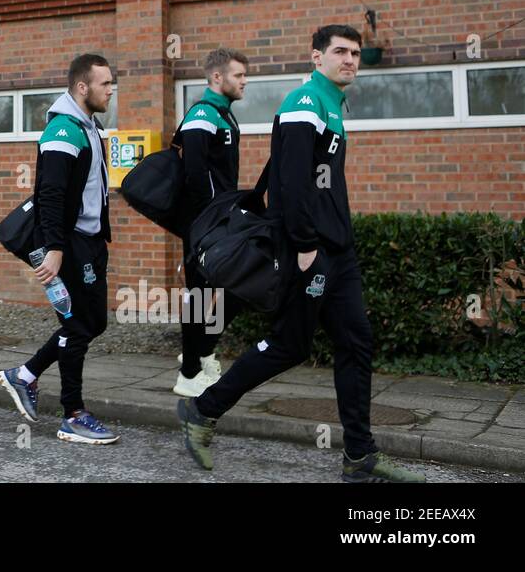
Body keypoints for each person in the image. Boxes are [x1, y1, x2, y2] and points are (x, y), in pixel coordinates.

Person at [178, 25, 426, 482]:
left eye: (355, 53)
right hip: (311, 252)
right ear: (317, 58)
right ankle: (202, 409)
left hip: (338, 251)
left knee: (356, 343)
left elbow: (319, 182)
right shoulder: (304, 104)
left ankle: (359, 454)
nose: (350, 60)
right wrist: (307, 246)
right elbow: (291, 184)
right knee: (290, 344)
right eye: (340, 52)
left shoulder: (332, 104)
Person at [0, 54, 118, 445]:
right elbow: (50, 195)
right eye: (105, 84)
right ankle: (73, 414)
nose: (110, 90)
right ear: (82, 87)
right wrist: (54, 249)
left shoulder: (89, 127)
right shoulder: (63, 132)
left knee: (92, 322)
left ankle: (26, 375)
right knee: (78, 326)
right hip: (69, 245)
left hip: (90, 242)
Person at [173, 47, 248, 397]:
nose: (244, 81)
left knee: (237, 285)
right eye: (239, 75)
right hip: (206, 224)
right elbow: (194, 173)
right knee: (200, 296)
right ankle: (188, 373)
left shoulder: (223, 114)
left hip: (221, 220)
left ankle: (201, 353)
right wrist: (210, 221)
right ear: (218, 78)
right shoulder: (202, 114)